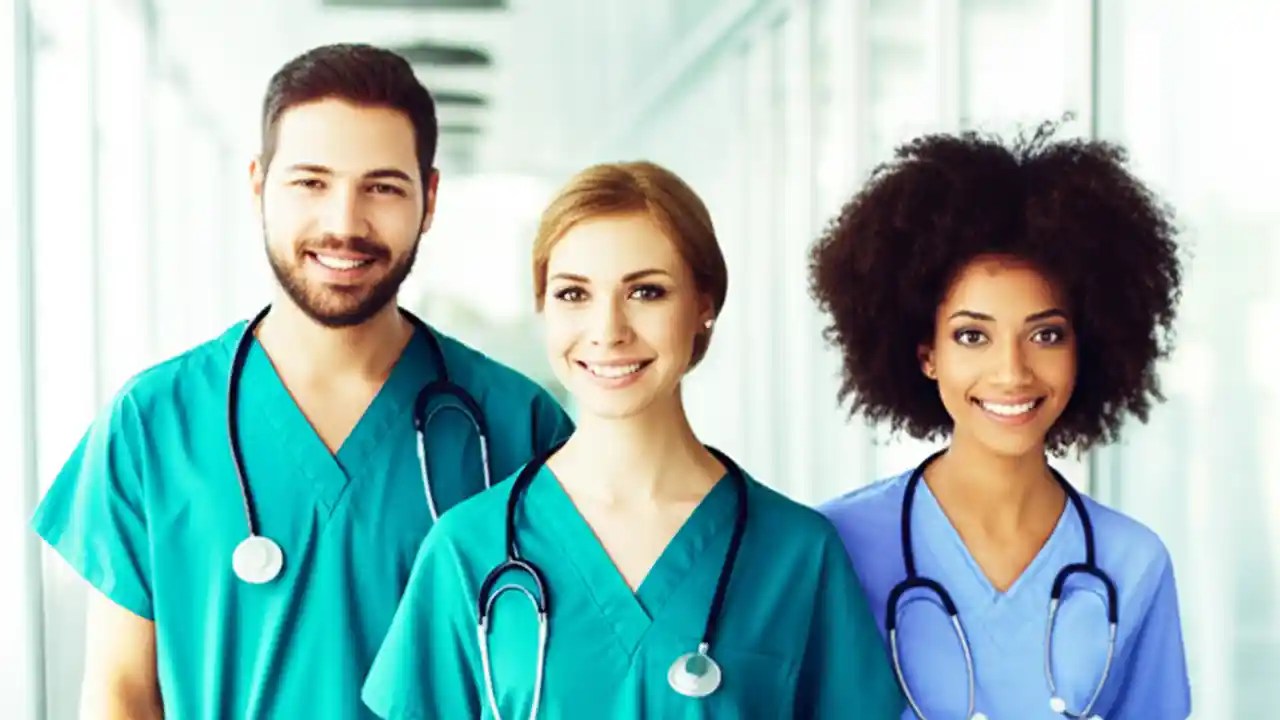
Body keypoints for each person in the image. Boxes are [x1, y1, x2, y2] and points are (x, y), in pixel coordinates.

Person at [31, 43, 572, 720]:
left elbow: (559, 683)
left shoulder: (518, 427)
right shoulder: (154, 422)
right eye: (311, 182)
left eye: (381, 187)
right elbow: (121, 692)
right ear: (258, 186)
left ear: (429, 200)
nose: (344, 224)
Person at [361, 161, 904, 719]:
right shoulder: (467, 550)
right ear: (543, 307)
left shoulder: (794, 554)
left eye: (646, 292)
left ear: (704, 306)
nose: (608, 330)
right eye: (574, 294)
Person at [809, 122, 1192, 719]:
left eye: (1045, 334)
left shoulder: (1132, 562)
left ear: (1086, 347)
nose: (1012, 372)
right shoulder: (832, 546)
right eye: (972, 335)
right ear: (926, 355)